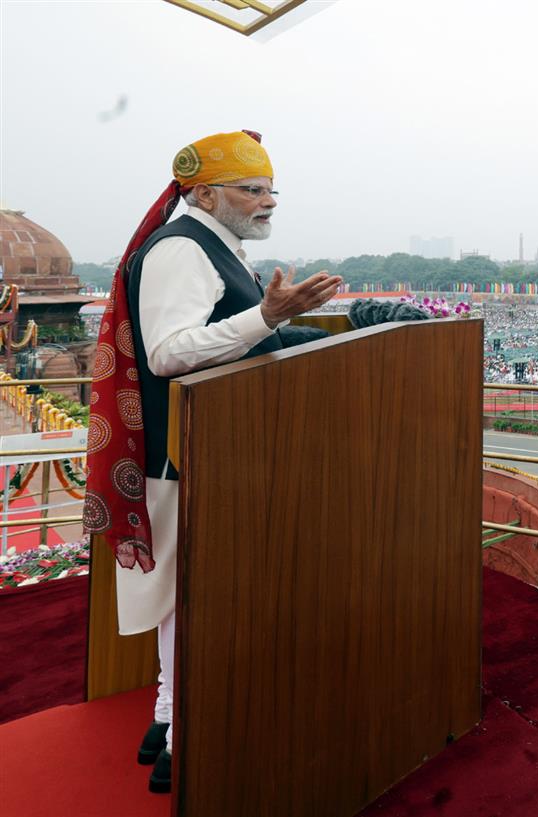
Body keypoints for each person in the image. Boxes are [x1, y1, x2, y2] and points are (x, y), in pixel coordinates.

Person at [84, 131, 342, 794]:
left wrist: (297, 320)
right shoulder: (180, 248)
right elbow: (171, 353)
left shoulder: (212, 246)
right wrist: (265, 315)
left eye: (270, 189)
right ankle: (187, 732)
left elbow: (236, 338)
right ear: (201, 192)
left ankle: (169, 721)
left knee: (182, 599)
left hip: (212, 448)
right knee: (189, 601)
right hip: (190, 452)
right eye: (250, 189)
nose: (267, 202)